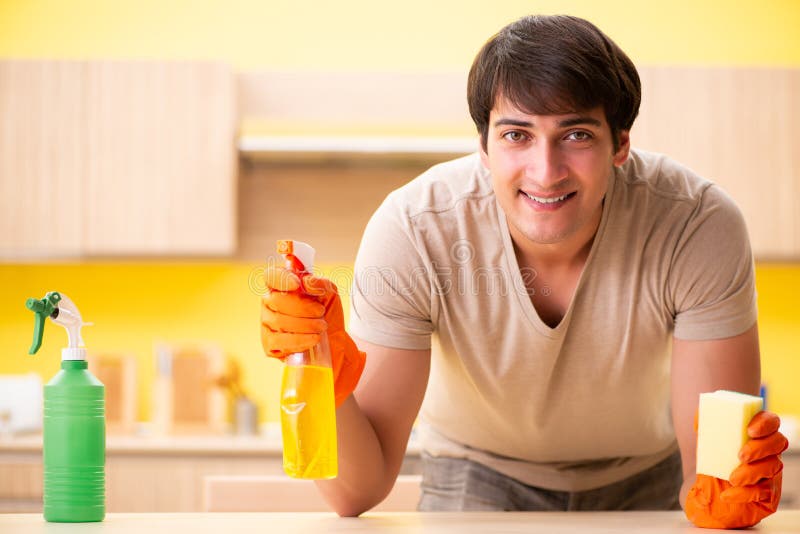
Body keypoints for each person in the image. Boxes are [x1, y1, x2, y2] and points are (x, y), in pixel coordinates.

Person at [260, 14, 788, 528]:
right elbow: (357, 490)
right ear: (484, 147)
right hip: (475, 479)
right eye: (517, 135)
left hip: (646, 478)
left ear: (621, 143)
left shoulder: (696, 225)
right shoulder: (415, 230)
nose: (545, 170)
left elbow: (710, 471)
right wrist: (321, 368)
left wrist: (724, 493)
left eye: (576, 134)